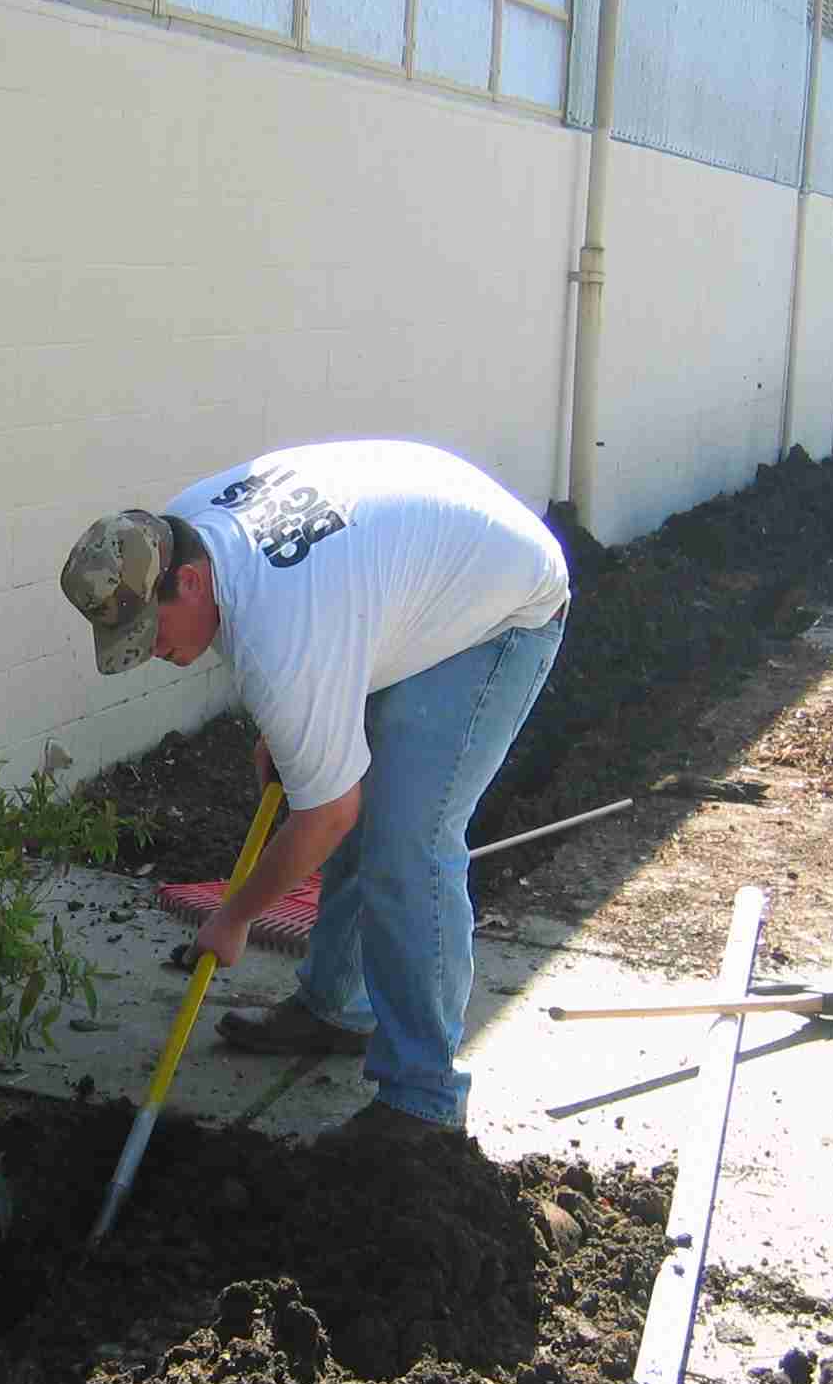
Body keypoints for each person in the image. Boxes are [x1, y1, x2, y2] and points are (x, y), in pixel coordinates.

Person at [60, 439, 568, 1146]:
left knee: (404, 842)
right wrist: (298, 728)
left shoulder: (279, 631)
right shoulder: (184, 532)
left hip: (496, 607)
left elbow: (327, 814)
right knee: (351, 790)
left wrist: (235, 916)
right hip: (407, 574)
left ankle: (422, 1098)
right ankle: (334, 1007)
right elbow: (299, 636)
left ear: (190, 584)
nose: (151, 653)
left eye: (149, 633)